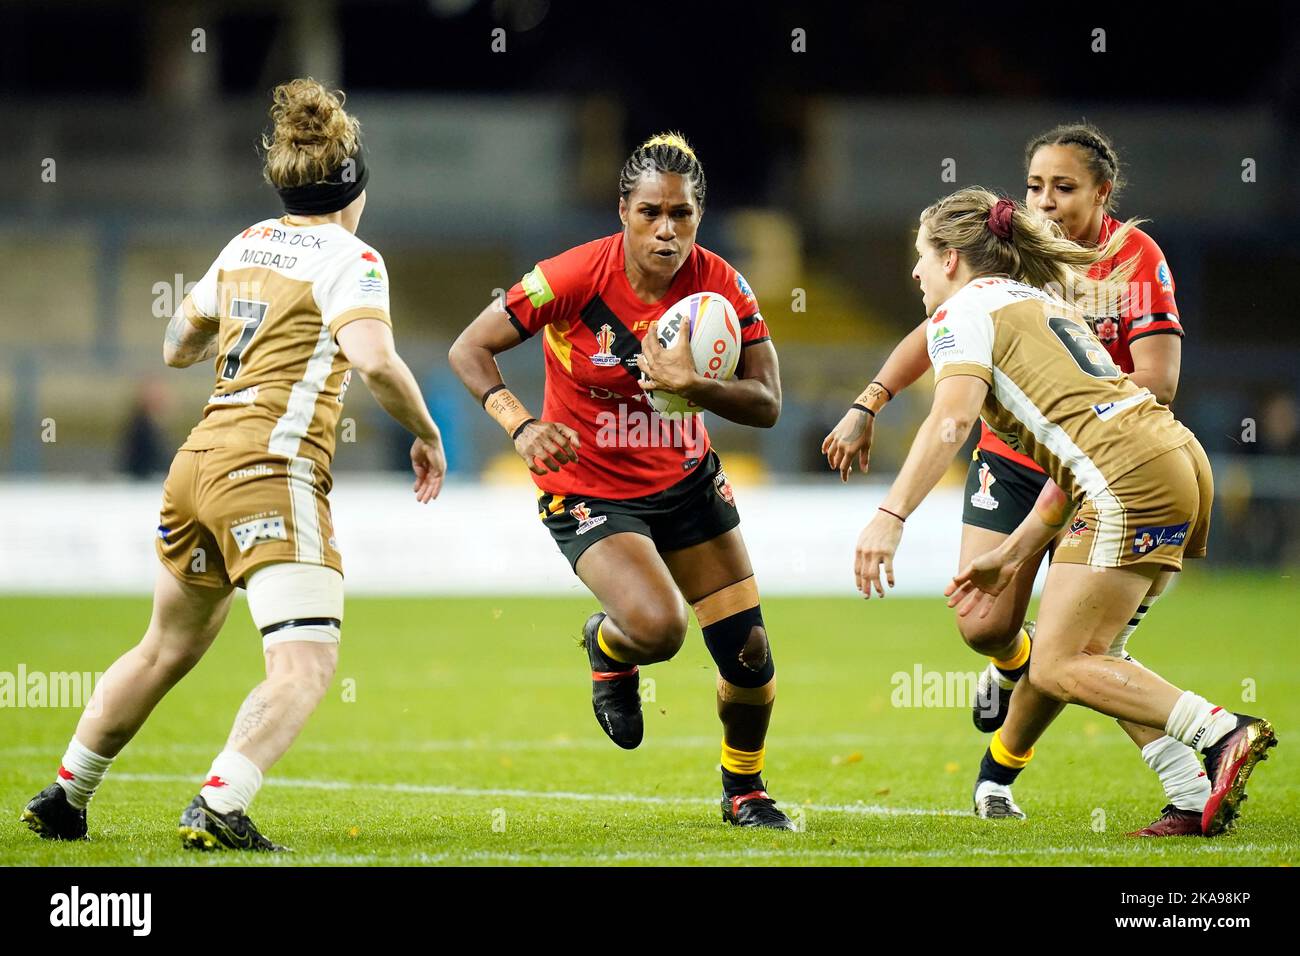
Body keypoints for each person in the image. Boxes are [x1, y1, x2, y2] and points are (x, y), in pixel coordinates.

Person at [21, 78, 447, 851]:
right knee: (306, 663)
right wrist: (426, 431)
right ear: (355, 189)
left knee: (164, 645)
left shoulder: (245, 244)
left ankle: (64, 795)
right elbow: (377, 362)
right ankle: (219, 803)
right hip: (268, 468)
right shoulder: (354, 257)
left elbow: (176, 345)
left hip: (196, 464)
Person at [851, 186, 1275, 837]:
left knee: (1056, 664)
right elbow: (1074, 456)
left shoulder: (964, 311)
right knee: (1097, 651)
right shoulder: (1045, 304)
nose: (915, 273)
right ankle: (1190, 793)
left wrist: (891, 515)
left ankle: (1221, 733)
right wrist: (1014, 552)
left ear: (953, 259)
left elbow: (951, 419)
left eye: (921, 256)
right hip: (1174, 461)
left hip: (1126, 477)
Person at [448, 132, 793, 829]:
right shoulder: (570, 276)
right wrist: (519, 425)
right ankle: (609, 646)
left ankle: (745, 791)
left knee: (750, 659)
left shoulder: (724, 283)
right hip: (588, 490)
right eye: (650, 213)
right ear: (623, 211)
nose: (667, 232)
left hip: (688, 483)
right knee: (659, 628)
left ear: (699, 215)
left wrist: (693, 384)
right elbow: (470, 347)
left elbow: (768, 403)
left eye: (683, 216)